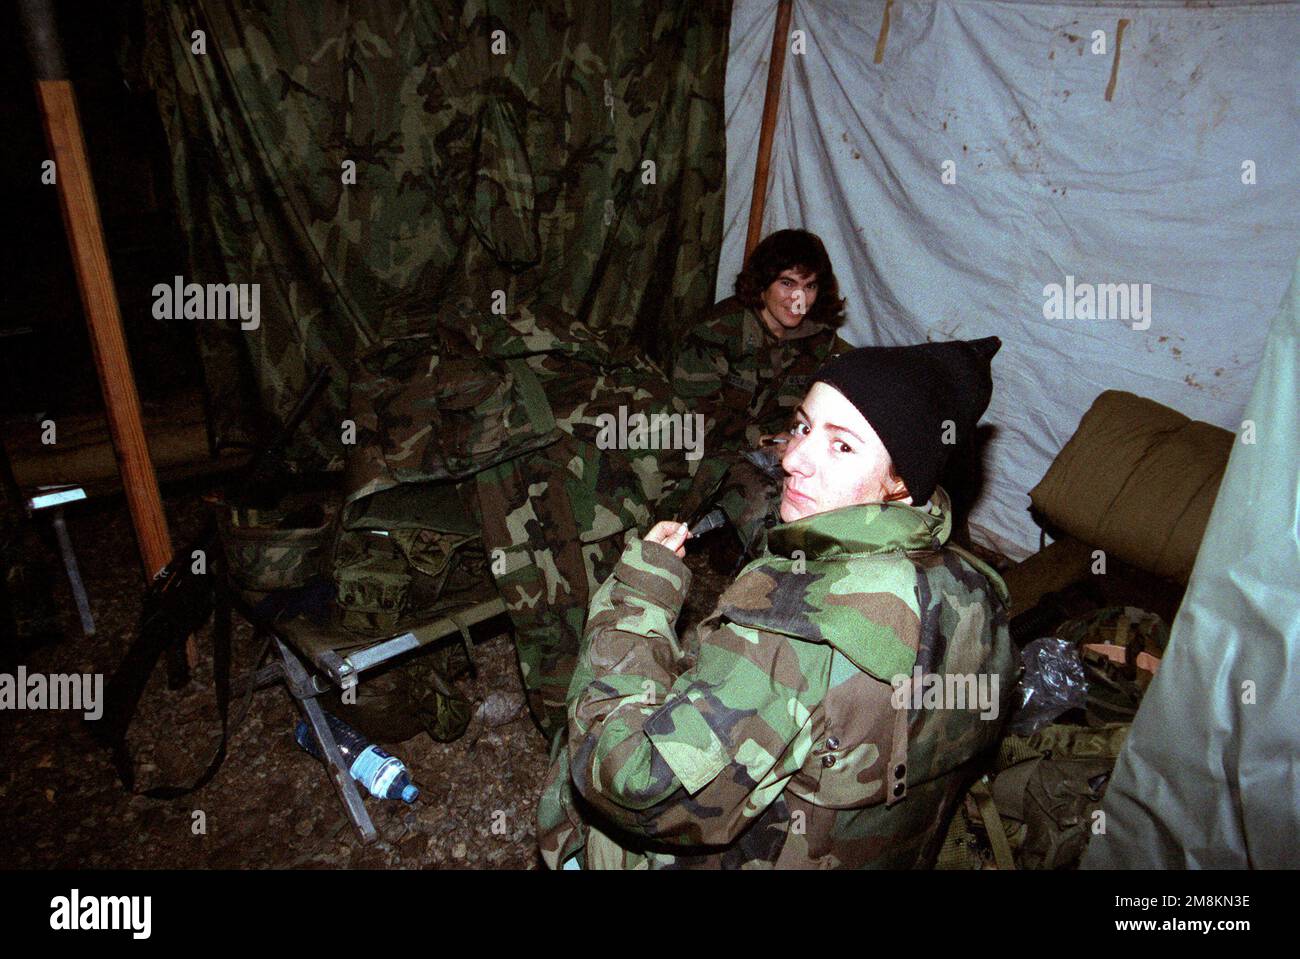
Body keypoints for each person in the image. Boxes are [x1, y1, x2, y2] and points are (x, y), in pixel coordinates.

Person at [537, 336, 1015, 868]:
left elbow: (635, 784)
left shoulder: (794, 630)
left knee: (577, 768)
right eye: (804, 427)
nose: (793, 459)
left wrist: (637, 599)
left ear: (902, 481)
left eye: (843, 445)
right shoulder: (978, 588)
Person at [664, 229, 850, 521]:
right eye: (787, 283)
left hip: (786, 455)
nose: (799, 299)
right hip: (707, 458)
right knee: (769, 502)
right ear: (763, 283)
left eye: (810, 286)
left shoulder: (818, 339)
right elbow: (692, 420)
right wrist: (764, 440)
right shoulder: (715, 332)